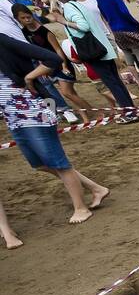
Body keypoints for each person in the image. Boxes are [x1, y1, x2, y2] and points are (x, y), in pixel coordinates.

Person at [0, 32, 110, 229]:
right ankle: (96, 188)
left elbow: (52, 58)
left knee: (57, 162)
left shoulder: (2, 40)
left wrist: (30, 77)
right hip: (13, 117)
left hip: (33, 111)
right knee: (40, 164)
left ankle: (81, 208)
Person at [49, 0, 139, 119]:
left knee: (112, 83)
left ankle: (129, 113)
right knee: (116, 82)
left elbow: (83, 26)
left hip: (94, 51)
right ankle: (130, 110)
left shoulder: (69, 7)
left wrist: (63, 21)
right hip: (103, 47)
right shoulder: (78, 5)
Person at [12, 3, 93, 116]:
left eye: (28, 17)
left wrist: (64, 66)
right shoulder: (24, 33)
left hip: (60, 63)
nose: (27, 20)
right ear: (17, 19)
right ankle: (86, 116)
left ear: (32, 15)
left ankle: (95, 112)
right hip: (48, 66)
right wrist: (42, 67)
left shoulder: (44, 31)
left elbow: (58, 49)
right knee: (71, 93)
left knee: (67, 92)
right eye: (23, 18)